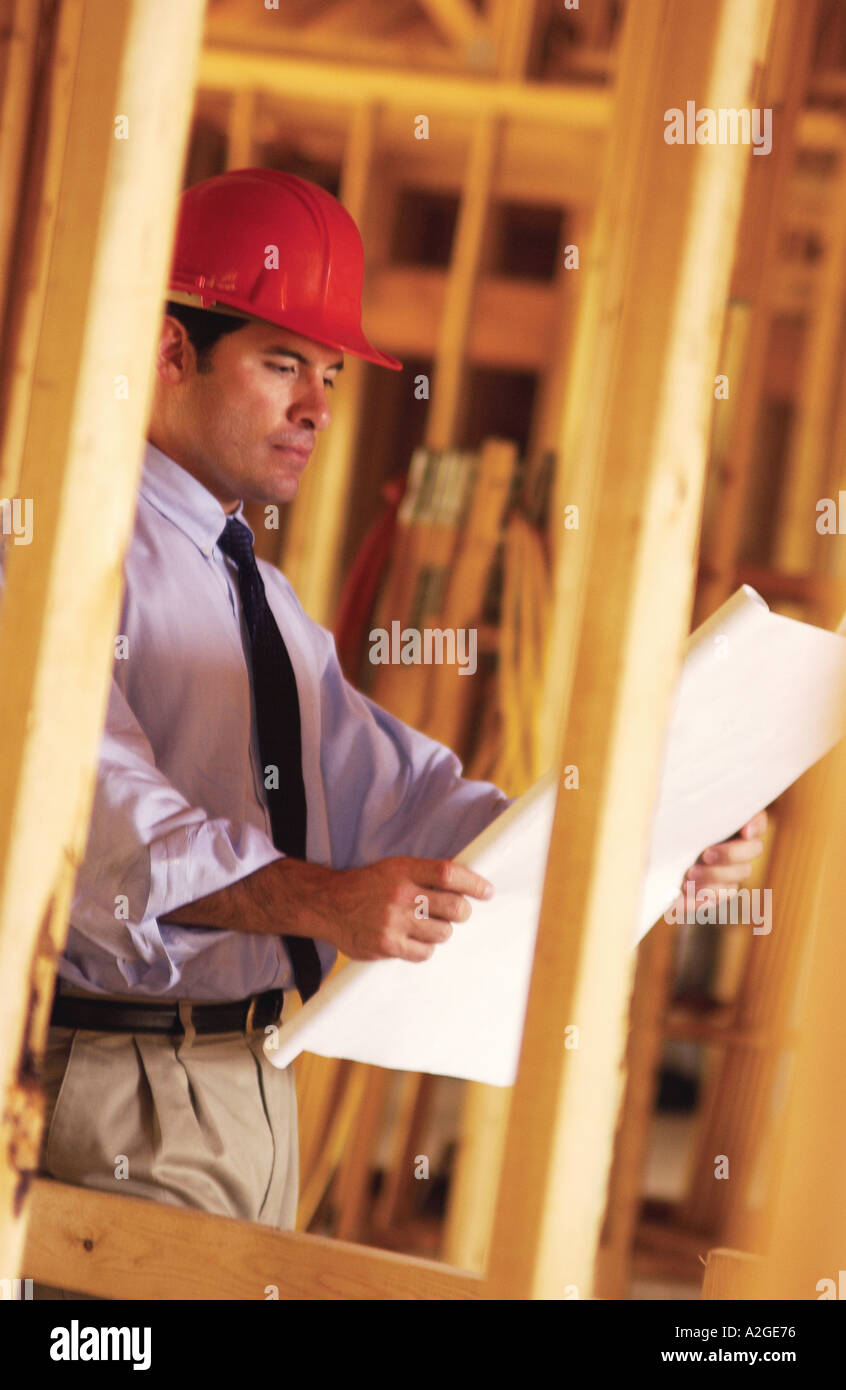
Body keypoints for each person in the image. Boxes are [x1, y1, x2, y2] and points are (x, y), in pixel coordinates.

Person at [33, 169, 766, 1282]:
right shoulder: (62, 552)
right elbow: (100, 821)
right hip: (112, 1079)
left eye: (328, 373)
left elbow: (412, 798)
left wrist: (653, 845)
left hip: (252, 1075)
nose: (320, 407)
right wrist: (325, 898)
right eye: (282, 363)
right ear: (173, 350)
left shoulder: (264, 604)